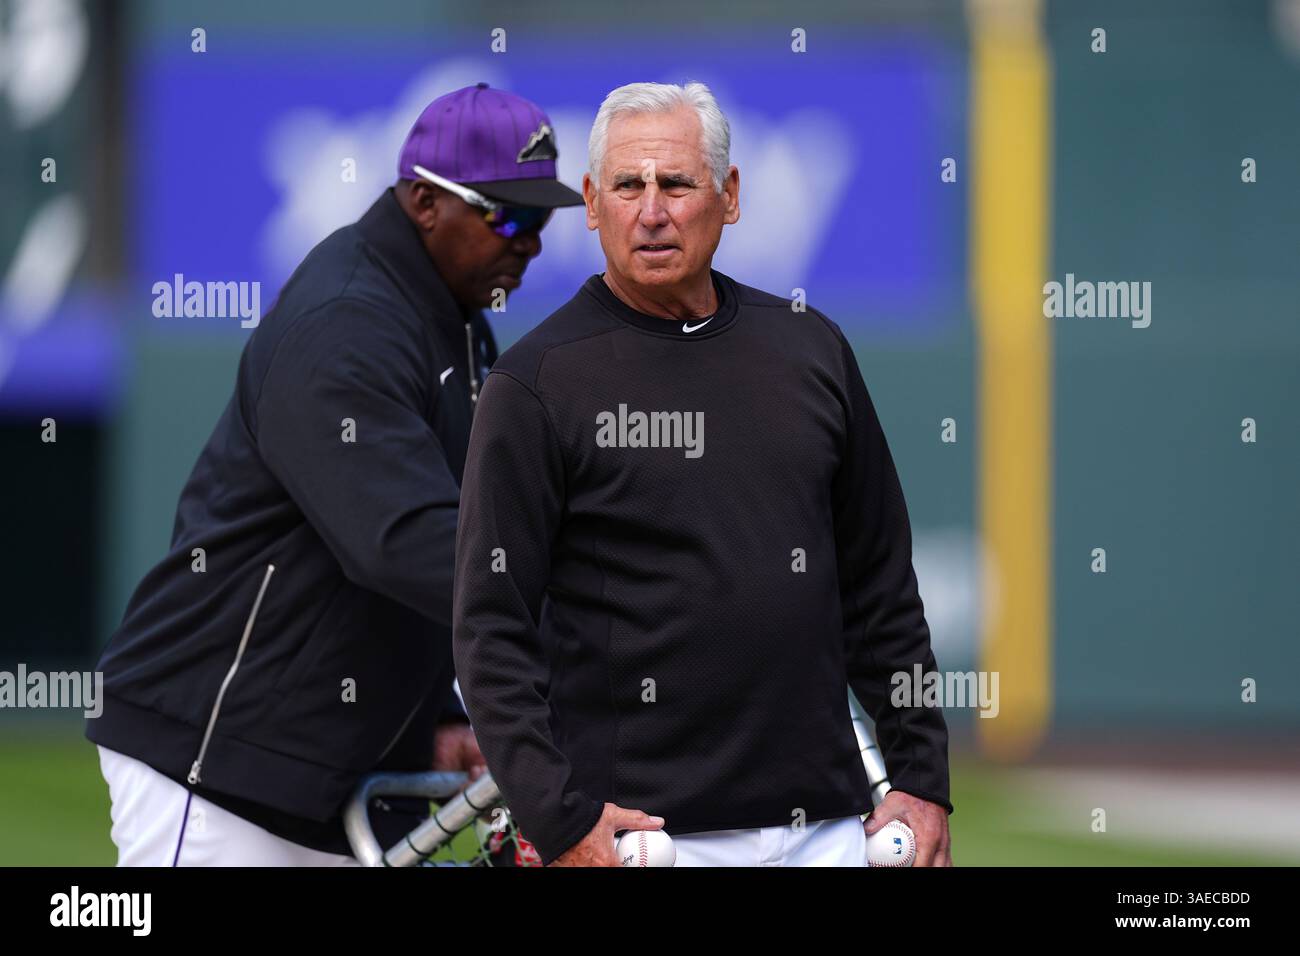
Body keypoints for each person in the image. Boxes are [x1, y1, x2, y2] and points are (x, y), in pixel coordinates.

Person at [452, 81, 954, 867]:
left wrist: (922, 776)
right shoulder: (535, 384)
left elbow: (880, 589)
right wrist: (556, 817)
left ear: (729, 195)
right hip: (645, 840)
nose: (651, 210)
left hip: (828, 828)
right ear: (590, 202)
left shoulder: (811, 350)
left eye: (677, 184)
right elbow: (491, 627)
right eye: (627, 185)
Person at [86, 83, 584, 866]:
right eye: (510, 217)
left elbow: (447, 534)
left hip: (321, 767)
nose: (530, 242)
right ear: (424, 202)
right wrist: (594, 619)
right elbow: (403, 540)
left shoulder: (451, 321)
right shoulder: (348, 321)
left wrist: (443, 712)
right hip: (216, 759)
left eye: (543, 219)